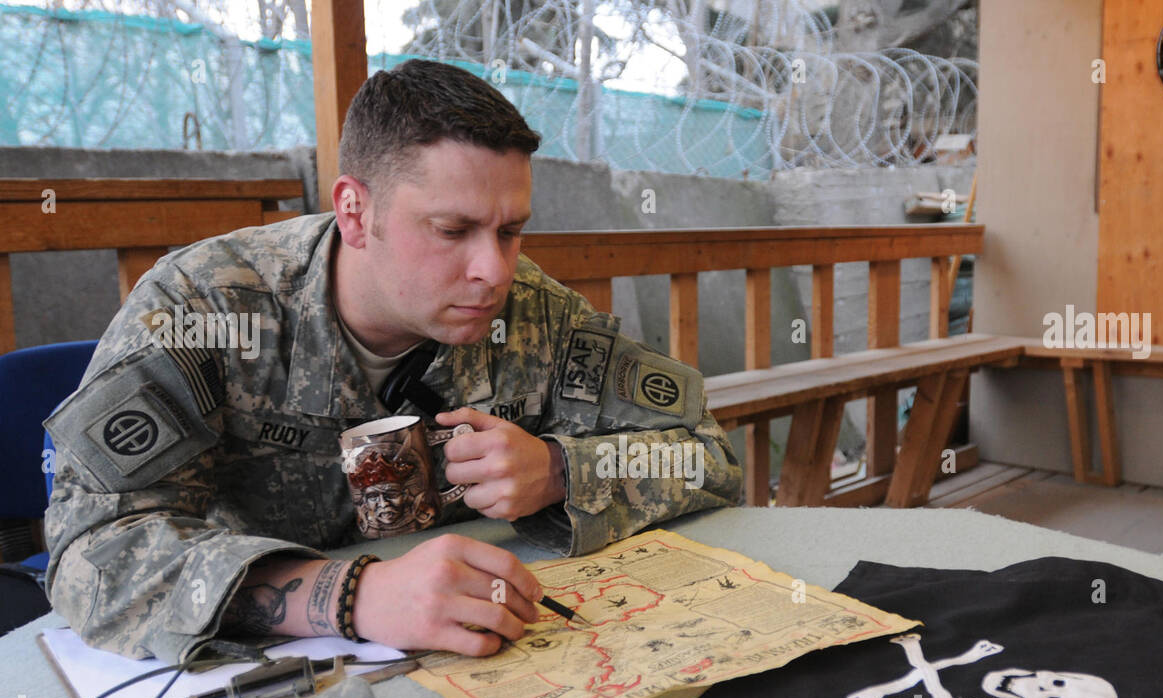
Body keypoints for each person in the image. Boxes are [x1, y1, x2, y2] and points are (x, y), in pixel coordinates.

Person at [43, 59, 742, 665]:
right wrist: (351, 595)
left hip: (466, 667)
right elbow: (89, 553)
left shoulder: (537, 315)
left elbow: (706, 456)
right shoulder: (206, 307)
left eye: (511, 230)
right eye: (453, 230)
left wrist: (560, 471)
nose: (492, 271)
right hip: (256, 687)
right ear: (354, 212)